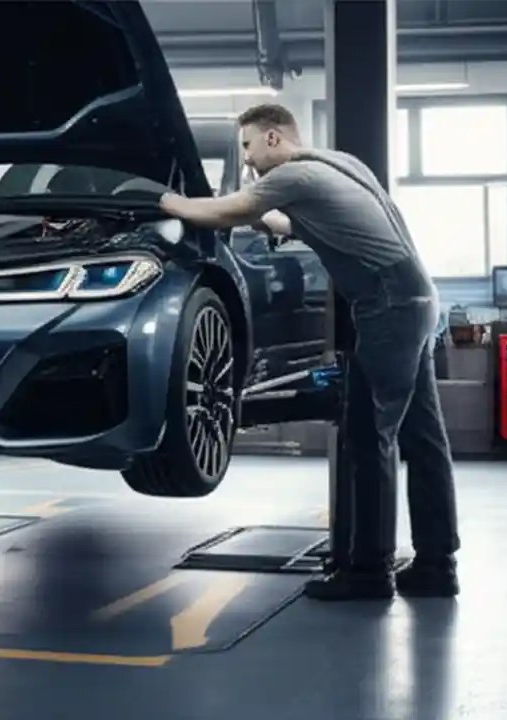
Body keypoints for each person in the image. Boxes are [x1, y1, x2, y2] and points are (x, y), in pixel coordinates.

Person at [158, 103, 460, 601]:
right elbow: (298, 224)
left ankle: (368, 573)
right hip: (419, 299)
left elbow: (227, 210)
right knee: (422, 437)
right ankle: (437, 565)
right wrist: (265, 220)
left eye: (249, 147)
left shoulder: (293, 175)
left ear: (273, 137)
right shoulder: (339, 165)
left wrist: (166, 201)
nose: (248, 160)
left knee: (369, 437)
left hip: (388, 306)